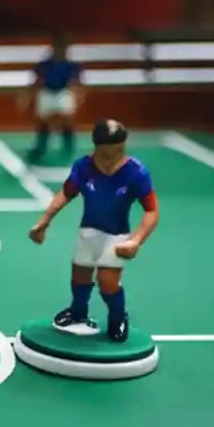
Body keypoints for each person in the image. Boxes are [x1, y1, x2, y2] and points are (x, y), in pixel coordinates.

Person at [28, 119, 160, 342]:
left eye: (119, 150)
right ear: (97, 147)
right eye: (109, 152)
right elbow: (66, 194)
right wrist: (44, 221)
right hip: (88, 231)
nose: (114, 157)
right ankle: (78, 312)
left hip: (116, 235)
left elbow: (152, 211)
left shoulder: (137, 172)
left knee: (107, 283)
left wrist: (136, 240)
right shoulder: (83, 167)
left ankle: (118, 317)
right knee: (79, 275)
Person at [22, 35, 83, 163]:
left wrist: (77, 97)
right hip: (47, 92)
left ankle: (68, 148)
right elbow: (37, 82)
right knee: (43, 121)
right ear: (53, 47)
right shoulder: (44, 65)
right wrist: (27, 97)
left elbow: (75, 83)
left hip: (64, 92)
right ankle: (40, 147)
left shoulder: (72, 66)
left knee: (67, 121)